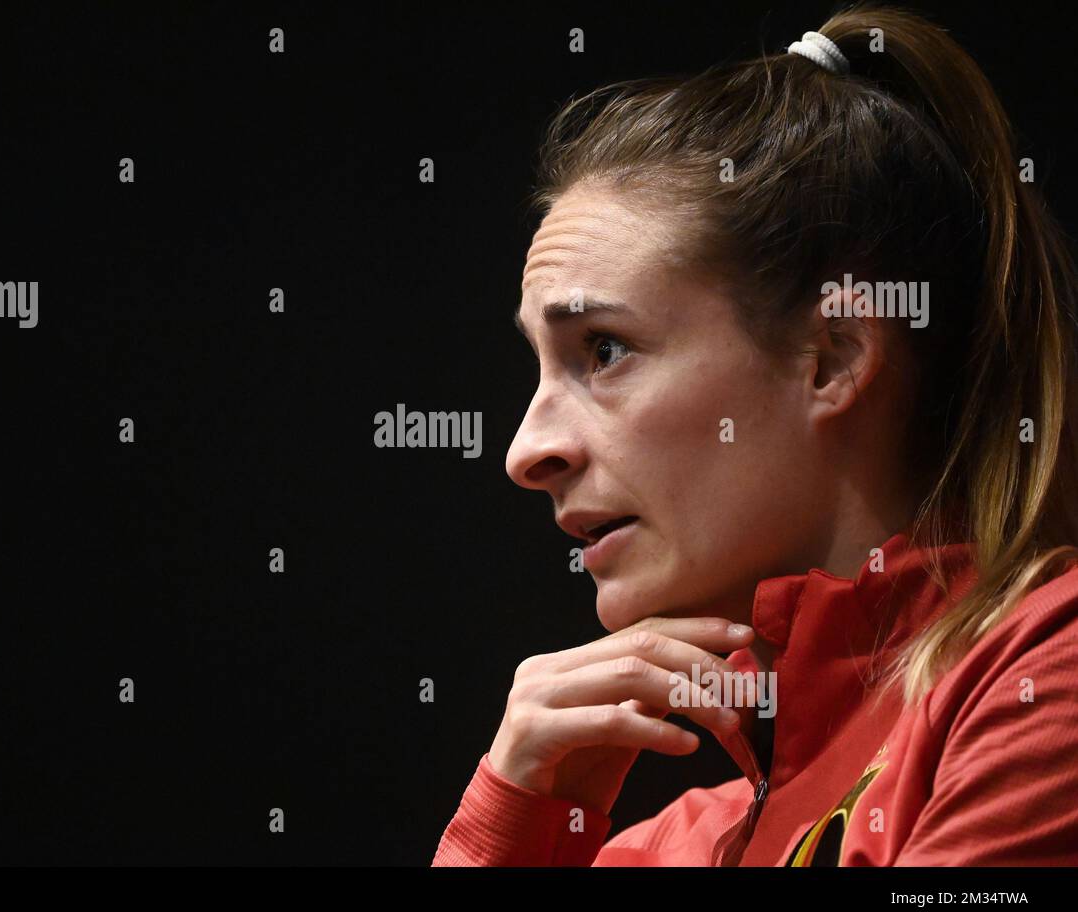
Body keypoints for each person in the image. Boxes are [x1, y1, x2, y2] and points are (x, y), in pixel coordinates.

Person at [433, 3, 1078, 866]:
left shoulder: (1044, 677)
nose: (524, 451)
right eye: (541, 366)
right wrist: (511, 828)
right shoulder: (666, 848)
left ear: (833, 358)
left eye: (605, 350)